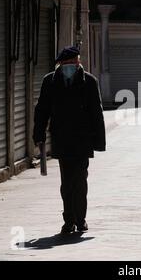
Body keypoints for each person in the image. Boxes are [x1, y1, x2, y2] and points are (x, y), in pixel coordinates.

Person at [33, 46, 106, 235]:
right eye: (66, 64)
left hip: (82, 139)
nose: (70, 67)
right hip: (62, 137)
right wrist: (38, 134)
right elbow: (42, 110)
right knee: (67, 182)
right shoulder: (50, 81)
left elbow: (96, 112)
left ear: (78, 63)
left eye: (73, 63)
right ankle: (69, 220)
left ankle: (81, 219)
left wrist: (99, 141)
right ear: (60, 64)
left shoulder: (89, 81)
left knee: (80, 179)